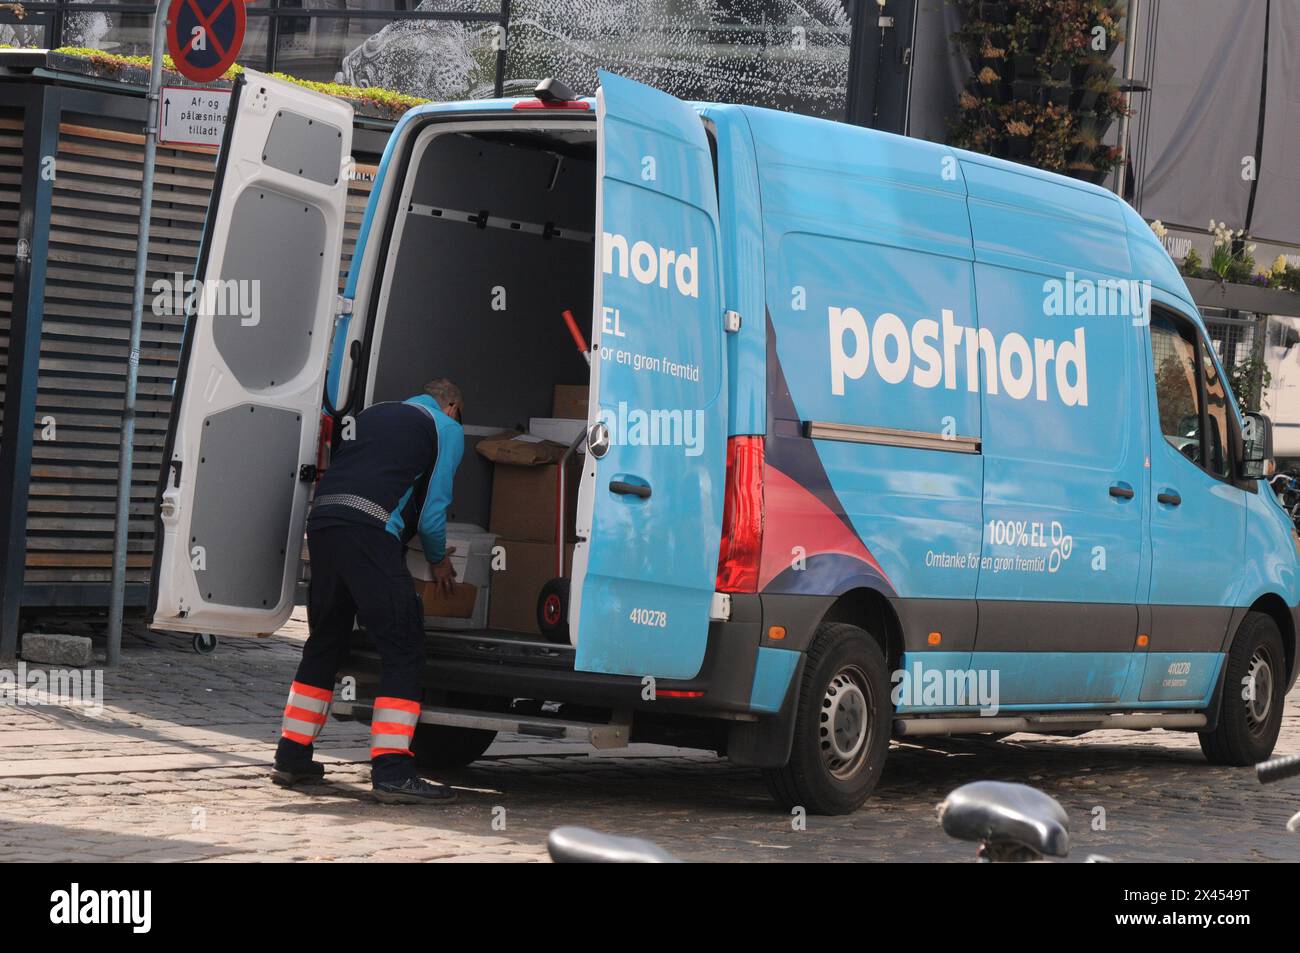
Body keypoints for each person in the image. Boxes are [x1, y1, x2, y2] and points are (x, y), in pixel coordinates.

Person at [271, 379, 465, 804]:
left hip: (324, 525)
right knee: (404, 647)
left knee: (325, 641)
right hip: (370, 531)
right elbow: (432, 512)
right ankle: (393, 771)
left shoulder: (372, 414)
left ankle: (292, 756)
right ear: (451, 405)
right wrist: (438, 560)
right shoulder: (446, 428)